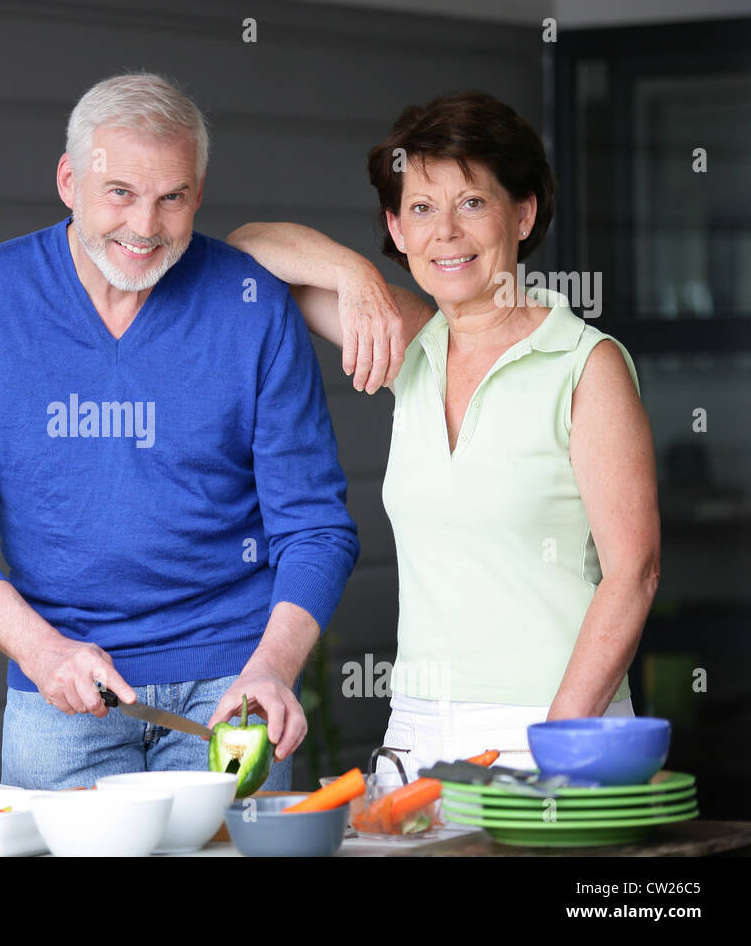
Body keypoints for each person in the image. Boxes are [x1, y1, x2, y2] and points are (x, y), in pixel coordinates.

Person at [0, 73, 387, 790]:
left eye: (172, 197)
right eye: (120, 192)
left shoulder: (251, 306)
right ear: (70, 181)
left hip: (230, 695)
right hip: (60, 693)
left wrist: (270, 672)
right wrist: (42, 652)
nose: (146, 227)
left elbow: (314, 527)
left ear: (198, 191)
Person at [228, 91, 660, 779]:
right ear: (396, 229)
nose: (446, 233)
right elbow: (247, 253)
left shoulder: (586, 366)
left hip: (559, 723)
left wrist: (552, 744)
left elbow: (633, 574)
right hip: (418, 730)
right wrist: (352, 275)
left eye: (473, 204)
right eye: (421, 209)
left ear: (522, 214)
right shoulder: (415, 347)